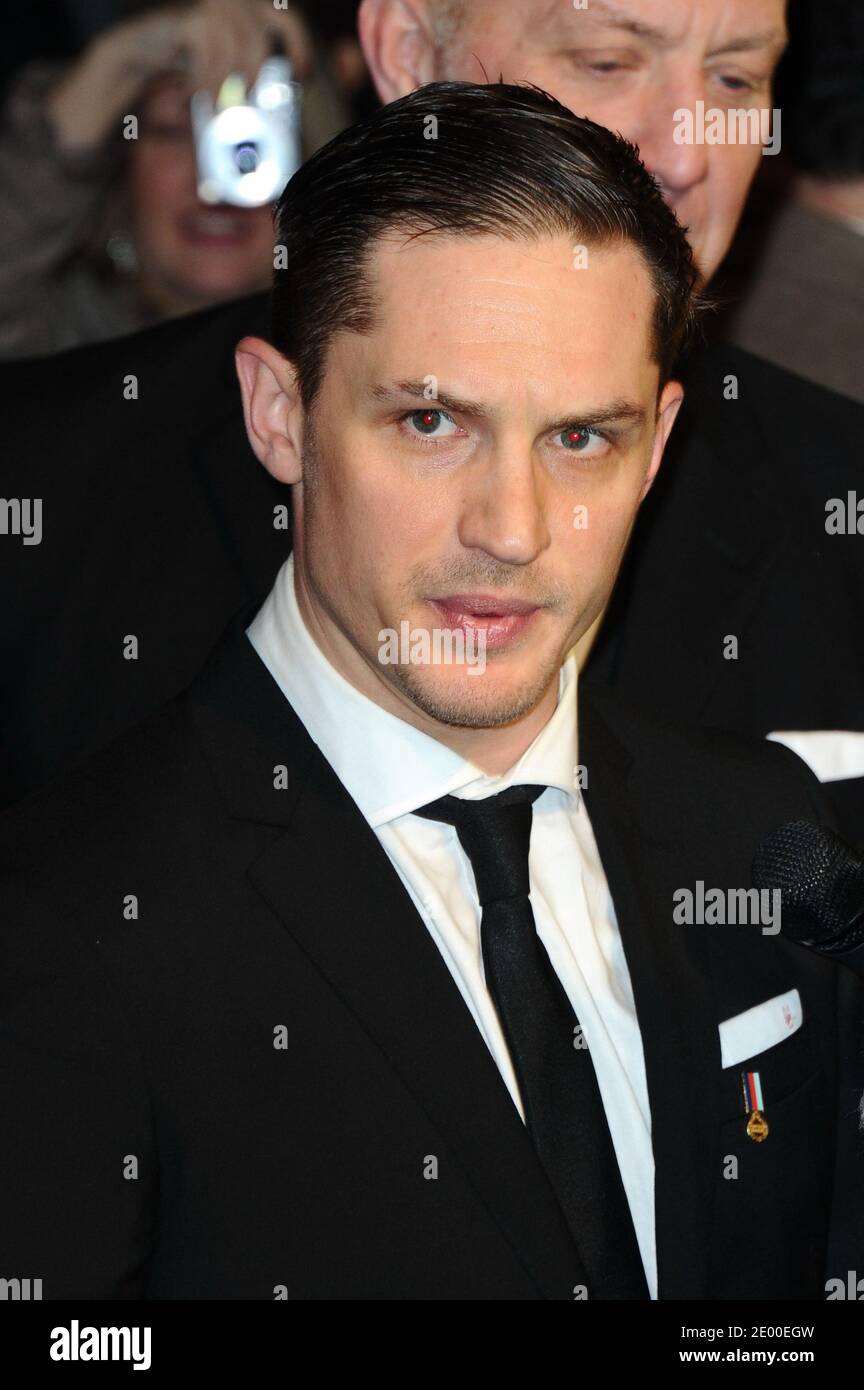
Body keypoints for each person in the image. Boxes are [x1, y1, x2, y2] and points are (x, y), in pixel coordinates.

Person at [1, 83, 860, 1301]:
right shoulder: (67, 924)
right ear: (281, 415)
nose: (511, 530)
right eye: (431, 421)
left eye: (580, 438)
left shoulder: (757, 831)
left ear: (659, 445)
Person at [1, 0, 862, 850]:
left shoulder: (839, 499)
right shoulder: (49, 491)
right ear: (410, 50)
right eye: (607, 60)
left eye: (736, 76)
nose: (684, 155)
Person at [0, 0, 350, 357]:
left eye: (250, 141)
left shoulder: (355, 355)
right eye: (174, 131)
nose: (211, 177)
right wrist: (119, 62)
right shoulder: (55, 348)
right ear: (120, 173)